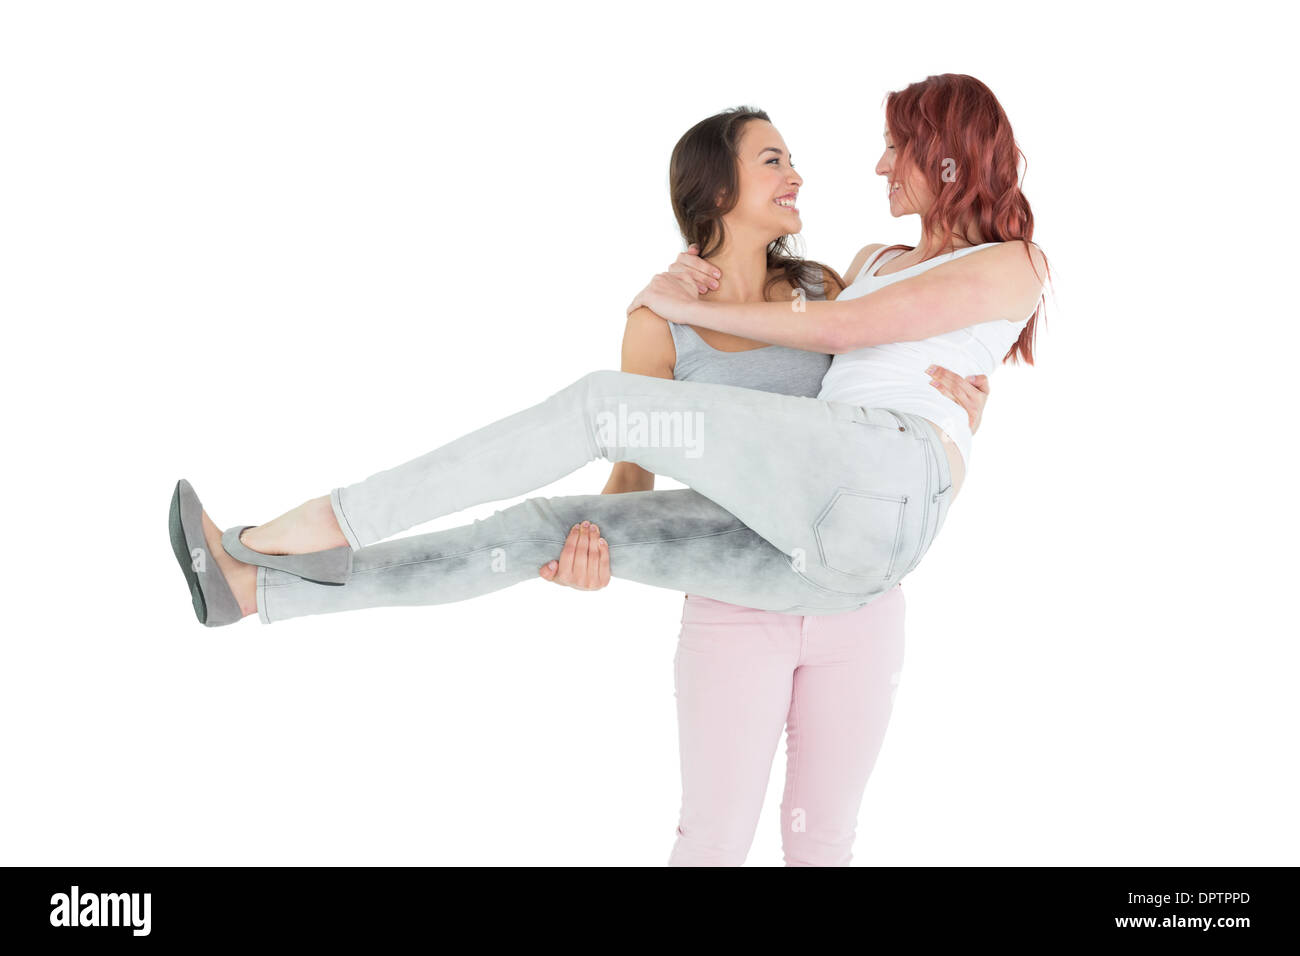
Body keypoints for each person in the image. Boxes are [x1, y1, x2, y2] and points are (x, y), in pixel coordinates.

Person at [169, 73, 1049, 636]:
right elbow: (865, 364)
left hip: (880, 491)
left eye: (898, 146)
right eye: (774, 160)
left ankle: (320, 522)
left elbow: (854, 341)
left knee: (597, 401)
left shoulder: (965, 269)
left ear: (945, 160)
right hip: (824, 555)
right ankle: (254, 593)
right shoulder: (864, 270)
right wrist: (596, 543)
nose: (872, 166)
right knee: (534, 529)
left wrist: (960, 431)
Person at [530, 107, 991, 866]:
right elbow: (633, 467)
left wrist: (965, 410)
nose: (796, 175)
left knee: (825, 840)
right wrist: (595, 547)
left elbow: (896, 410)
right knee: (713, 839)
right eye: (773, 160)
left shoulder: (827, 290)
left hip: (857, 604)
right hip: (735, 605)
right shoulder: (660, 323)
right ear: (715, 190)